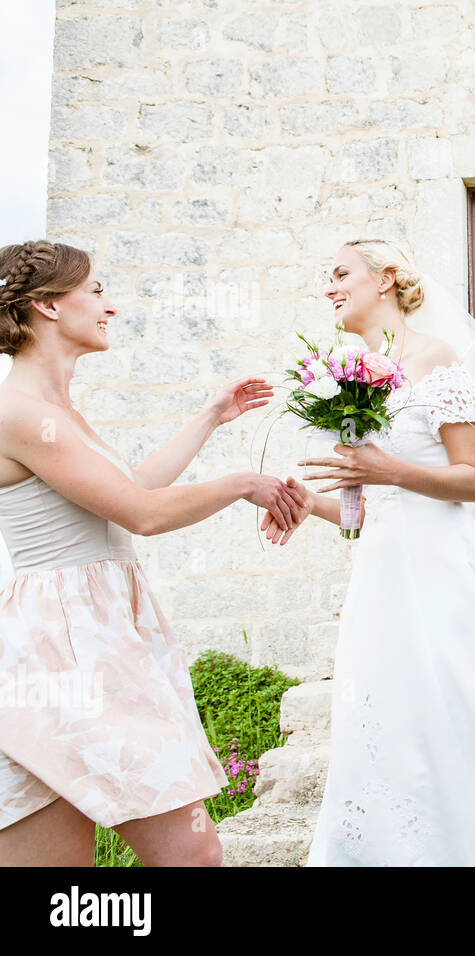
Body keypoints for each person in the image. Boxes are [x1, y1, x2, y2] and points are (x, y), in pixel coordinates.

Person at [0, 240, 304, 866]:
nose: (109, 307)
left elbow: (131, 488)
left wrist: (210, 417)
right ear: (49, 306)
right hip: (63, 648)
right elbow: (142, 514)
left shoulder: (56, 411)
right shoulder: (20, 413)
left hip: (88, 634)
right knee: (186, 856)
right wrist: (245, 482)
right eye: (97, 291)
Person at [269, 239, 475, 865]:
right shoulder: (345, 376)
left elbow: (473, 480)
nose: (330, 286)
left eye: (341, 272)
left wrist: (387, 470)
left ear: (386, 281)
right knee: (385, 718)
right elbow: (364, 510)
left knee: (460, 714)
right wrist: (301, 502)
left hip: (442, 569)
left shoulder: (437, 359)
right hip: (381, 573)